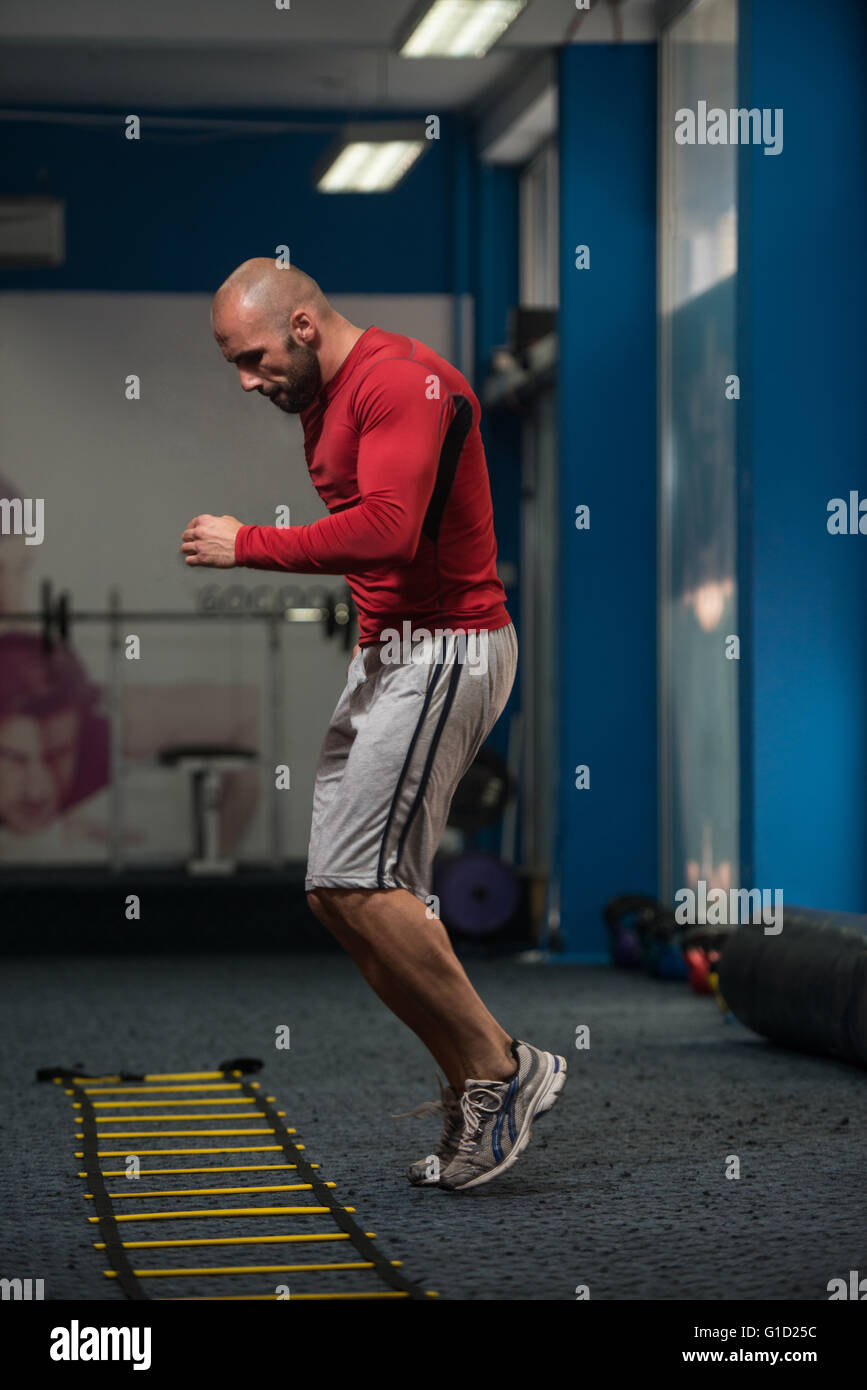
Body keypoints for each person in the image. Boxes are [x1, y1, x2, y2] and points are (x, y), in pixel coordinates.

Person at [180, 258, 566, 1191]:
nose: (246, 380)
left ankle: (503, 1070)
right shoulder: (318, 396)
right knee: (336, 894)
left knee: (362, 880)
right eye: (233, 362)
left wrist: (249, 546)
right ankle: (476, 1075)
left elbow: (389, 527)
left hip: (450, 650)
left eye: (255, 357)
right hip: (394, 655)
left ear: (304, 326)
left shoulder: (398, 381)